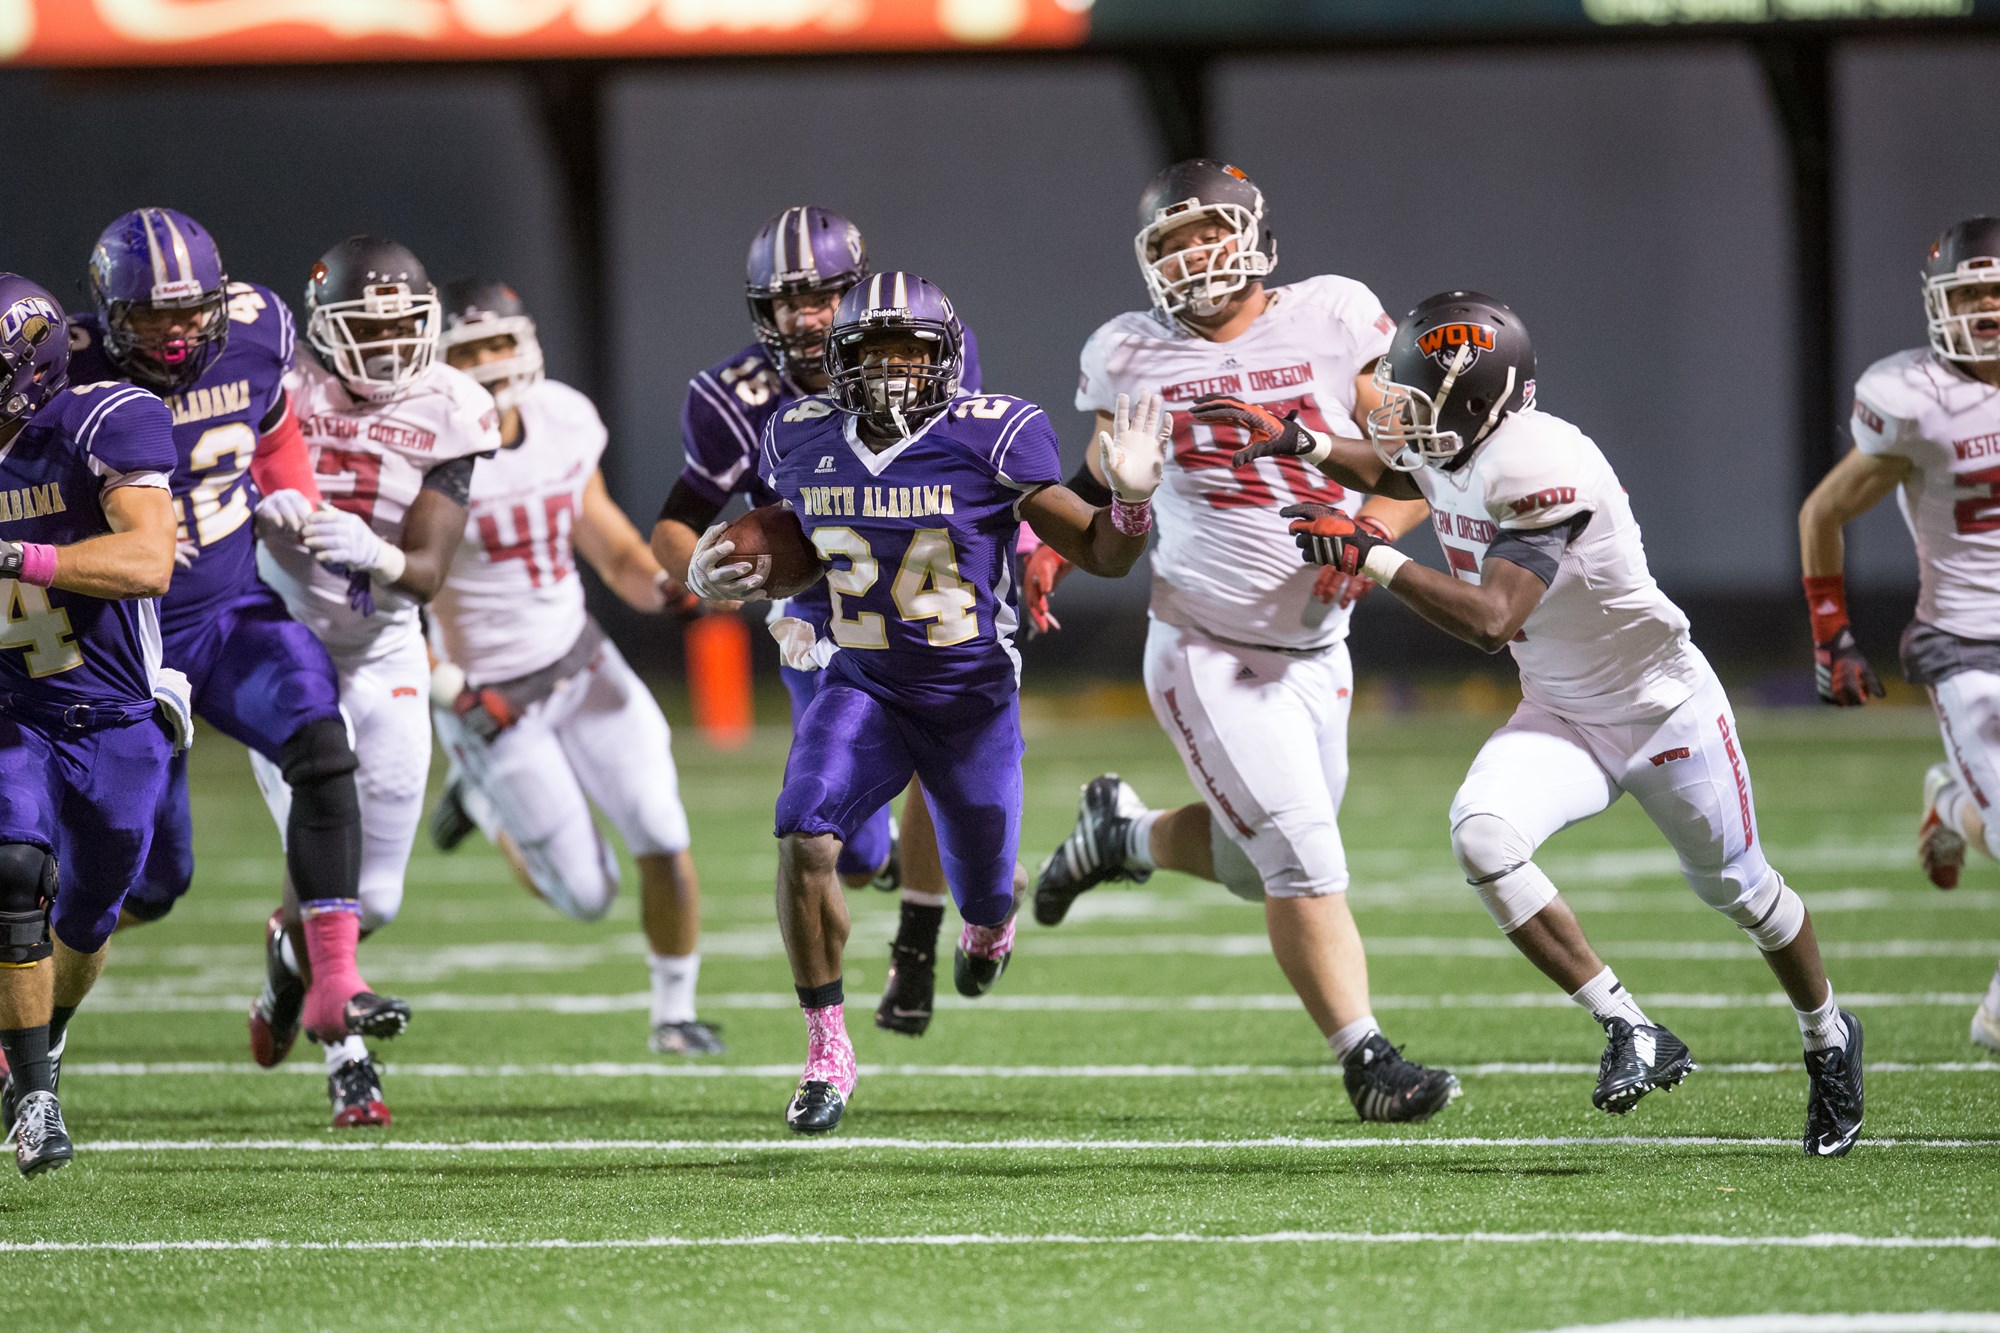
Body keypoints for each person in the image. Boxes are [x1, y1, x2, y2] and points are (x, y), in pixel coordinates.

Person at [1218, 289, 1865, 1156]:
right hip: (1561, 707)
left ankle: (1828, 1035)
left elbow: (1490, 618)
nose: (1396, 411)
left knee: (1742, 891)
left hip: (1659, 708)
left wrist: (1371, 555)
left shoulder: (1540, 462)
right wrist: (1300, 441)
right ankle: (1631, 1025)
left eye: (1414, 397)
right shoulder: (1465, 442)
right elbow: (1399, 469)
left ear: (1478, 404)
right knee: (1482, 835)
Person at [1025, 159, 1459, 1122]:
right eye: (1170, 243)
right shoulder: (1127, 353)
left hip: (1319, 641)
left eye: (1207, 232)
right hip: (1204, 641)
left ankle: (1120, 836)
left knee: (1245, 859)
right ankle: (1368, 1061)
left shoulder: (1335, 315)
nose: (1193, 256)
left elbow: (1417, 461)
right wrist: (1044, 540)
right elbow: (1099, 483)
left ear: (1255, 232)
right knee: (1301, 855)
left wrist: (1370, 536)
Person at [685, 271, 1159, 1133]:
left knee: (982, 893)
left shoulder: (991, 436)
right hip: (860, 682)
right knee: (803, 829)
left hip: (969, 700)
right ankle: (826, 1046)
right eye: (871, 352)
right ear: (838, 359)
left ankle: (986, 928)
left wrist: (1127, 502)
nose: (891, 370)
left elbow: (1100, 553)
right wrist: (741, 581)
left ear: (946, 360)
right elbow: (799, 546)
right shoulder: (799, 435)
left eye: (910, 352)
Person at [65, 210, 396, 1078]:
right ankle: (32, 985)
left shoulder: (259, 327)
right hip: (114, 648)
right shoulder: (64, 372)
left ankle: (333, 976)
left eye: (189, 312)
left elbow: (275, 420)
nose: (175, 335)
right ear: (108, 312)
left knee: (324, 746)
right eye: (150, 317)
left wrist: (296, 496)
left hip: (221, 616)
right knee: (148, 881)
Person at [652, 206, 982, 1039]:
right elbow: (679, 517)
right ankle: (886, 883)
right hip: (816, 622)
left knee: (941, 762)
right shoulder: (736, 399)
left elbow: (972, 476)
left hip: (925, 600)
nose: (804, 316)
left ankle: (918, 937)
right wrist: (706, 578)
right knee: (849, 845)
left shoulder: (926, 345)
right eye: (786, 300)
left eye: (823, 294)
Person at [426, 278, 720, 1055]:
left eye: (498, 343)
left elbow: (611, 546)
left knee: (662, 826)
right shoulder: (419, 445)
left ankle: (673, 1014)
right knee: (588, 897)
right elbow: (387, 601)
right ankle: (484, 804)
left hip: (581, 659)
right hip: (485, 693)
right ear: (438, 359)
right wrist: (451, 689)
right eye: (467, 349)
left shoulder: (562, 417)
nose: (488, 363)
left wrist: (667, 586)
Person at [250, 237, 500, 1126]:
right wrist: (248, 497)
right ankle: (348, 1058)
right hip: (276, 637)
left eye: (405, 326)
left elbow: (427, 571)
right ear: (324, 329)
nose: (391, 346)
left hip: (386, 640)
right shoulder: (271, 384)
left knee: (379, 897)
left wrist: (377, 550)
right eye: (370, 328)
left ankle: (288, 959)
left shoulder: (456, 405)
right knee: (330, 848)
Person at [1797, 215, 2000, 1053]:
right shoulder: (1914, 400)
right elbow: (1826, 510)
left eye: (1996, 291)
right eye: (1970, 293)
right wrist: (1833, 632)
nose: (1985, 309)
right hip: (1966, 645)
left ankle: (1951, 803)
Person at [0, 274, 180, 1175]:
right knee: (13, 867)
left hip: (111, 712)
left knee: (93, 910)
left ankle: (47, 1039)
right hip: (13, 708)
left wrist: (18, 555)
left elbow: (151, 559)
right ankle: (34, 1091)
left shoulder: (101, 421)